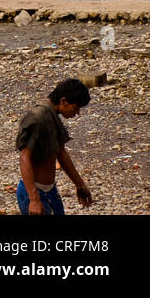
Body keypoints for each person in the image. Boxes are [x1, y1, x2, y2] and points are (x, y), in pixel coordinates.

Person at [16, 78, 93, 215]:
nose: (77, 113)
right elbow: (24, 158)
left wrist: (80, 184)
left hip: (50, 191)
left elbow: (61, 154)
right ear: (64, 101)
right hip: (34, 192)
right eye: (76, 108)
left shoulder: (52, 117)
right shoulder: (37, 117)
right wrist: (34, 199)